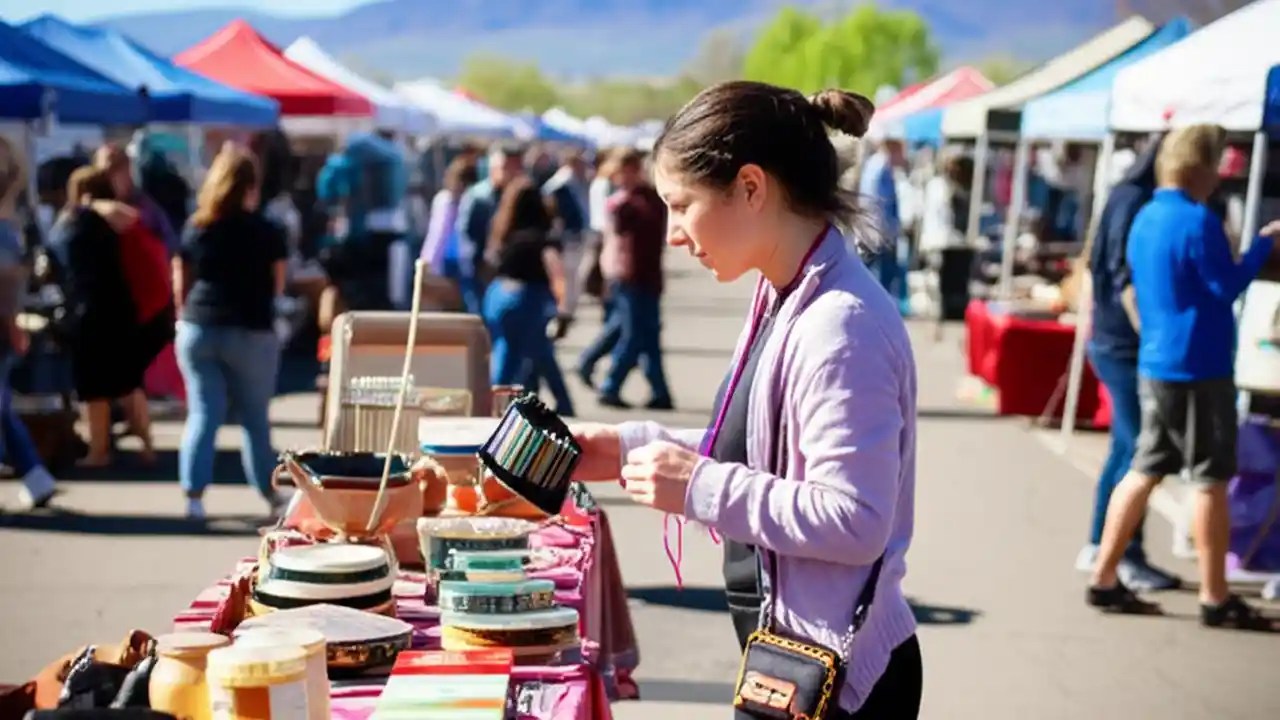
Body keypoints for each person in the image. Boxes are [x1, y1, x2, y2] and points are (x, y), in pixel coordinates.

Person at [571, 81, 922, 717]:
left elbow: (856, 519)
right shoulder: (789, 292)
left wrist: (700, 488)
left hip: (840, 679)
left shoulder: (840, 324)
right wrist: (622, 450)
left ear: (752, 188)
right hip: (800, 656)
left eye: (683, 205)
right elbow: (764, 451)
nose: (674, 233)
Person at [1088, 124, 1279, 631]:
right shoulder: (1197, 220)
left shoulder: (1147, 214)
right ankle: (1216, 596)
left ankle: (1104, 573)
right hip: (1200, 365)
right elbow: (1225, 285)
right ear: (1204, 167)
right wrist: (1261, 248)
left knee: (1143, 468)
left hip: (1156, 360)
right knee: (1210, 480)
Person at [1077, 135, 1180, 591]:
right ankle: (1121, 552)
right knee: (1138, 450)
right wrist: (1152, 334)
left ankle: (1105, 545)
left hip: (1113, 339)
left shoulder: (1126, 195)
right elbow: (1122, 276)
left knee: (1127, 447)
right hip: (1122, 343)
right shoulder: (1135, 200)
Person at [173, 146, 287, 520]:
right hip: (250, 329)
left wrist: (183, 315)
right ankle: (269, 495)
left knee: (203, 413)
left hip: (198, 325)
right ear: (251, 186)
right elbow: (278, 286)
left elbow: (181, 281)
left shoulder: (198, 226)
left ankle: (194, 496)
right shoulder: (268, 231)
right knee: (254, 418)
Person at [48, 167, 156, 467]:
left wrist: (88, 204)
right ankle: (146, 445)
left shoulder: (83, 219)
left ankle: (98, 450)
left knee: (94, 386)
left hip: (91, 310)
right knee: (127, 381)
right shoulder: (107, 223)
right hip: (120, 308)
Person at [481, 178, 574, 416]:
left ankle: (496, 403)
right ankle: (561, 402)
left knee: (505, 351)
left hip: (498, 294)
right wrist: (564, 310)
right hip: (527, 297)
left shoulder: (504, 232)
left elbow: (490, 262)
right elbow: (557, 273)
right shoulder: (543, 237)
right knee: (539, 353)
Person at [0, 137, 58, 509]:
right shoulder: (8, 228)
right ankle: (36, 476)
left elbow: (6, 282)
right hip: (3, 325)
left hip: (1, 325)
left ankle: (36, 475)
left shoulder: (7, 229)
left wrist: (12, 324)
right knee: (2, 405)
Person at [596, 150, 674, 410]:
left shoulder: (646, 200)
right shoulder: (622, 202)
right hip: (628, 277)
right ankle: (611, 384)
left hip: (644, 276)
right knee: (635, 336)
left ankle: (658, 391)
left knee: (646, 337)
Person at [456, 146, 525, 314]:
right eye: (506, 167)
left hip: (507, 266)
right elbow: (466, 231)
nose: (510, 172)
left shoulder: (518, 195)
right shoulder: (478, 196)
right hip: (480, 265)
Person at [421, 157, 479, 285]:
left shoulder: (470, 201)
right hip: (448, 260)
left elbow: (436, 234)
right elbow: (438, 233)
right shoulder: (446, 201)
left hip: (459, 260)